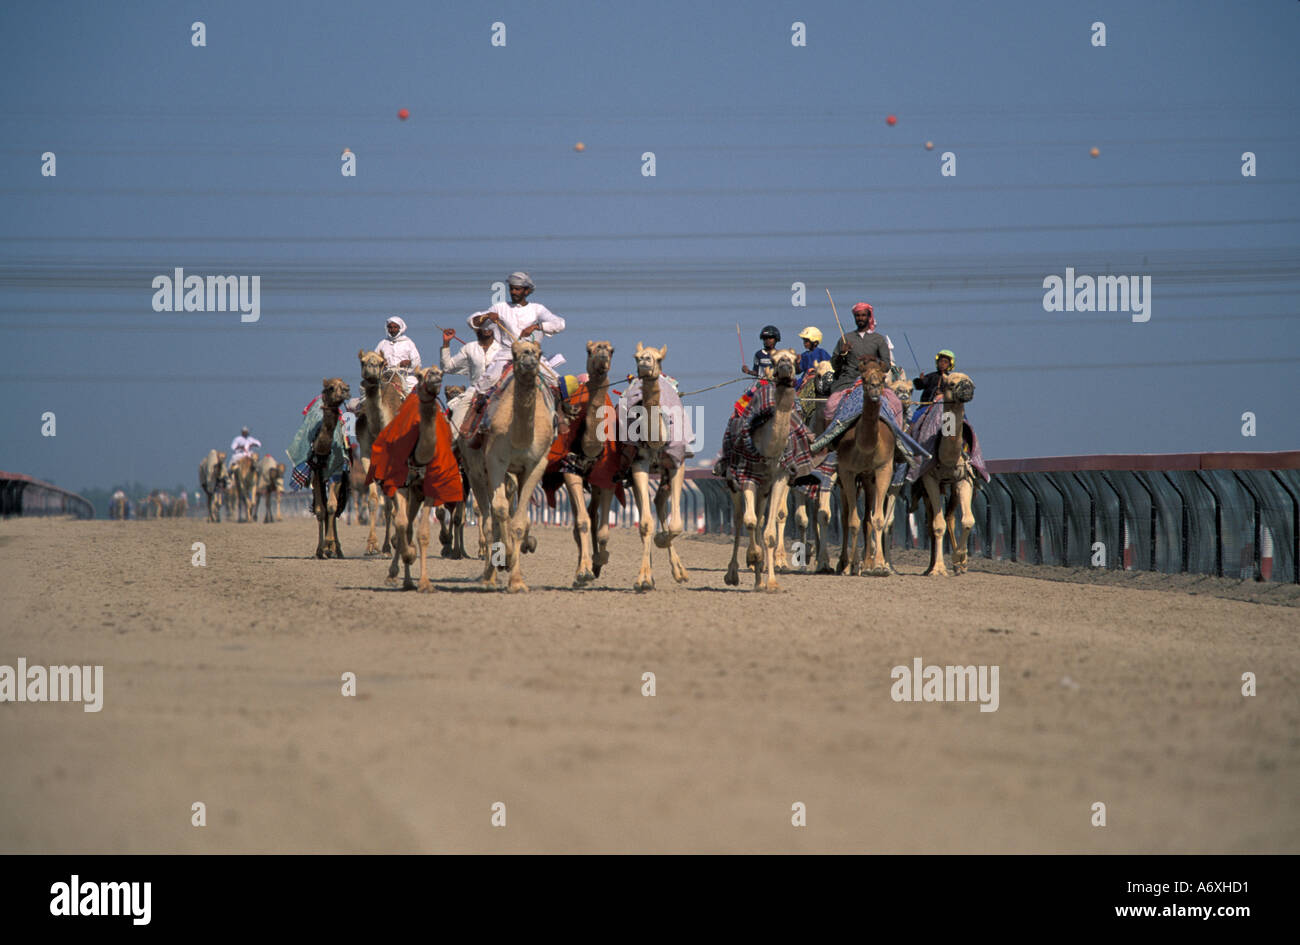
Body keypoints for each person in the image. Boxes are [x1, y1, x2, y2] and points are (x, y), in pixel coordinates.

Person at [461, 271, 566, 443]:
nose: (514, 292)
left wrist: (537, 327)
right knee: (486, 383)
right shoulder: (500, 307)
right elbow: (471, 321)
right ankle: (473, 420)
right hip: (507, 355)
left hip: (532, 356)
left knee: (557, 382)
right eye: (512, 289)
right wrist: (487, 316)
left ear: (527, 291)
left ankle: (560, 416)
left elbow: (560, 323)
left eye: (518, 289)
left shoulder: (537, 309)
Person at [824, 302, 891, 422]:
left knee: (896, 403)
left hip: (874, 383)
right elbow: (835, 366)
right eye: (858, 315)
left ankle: (897, 433)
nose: (860, 318)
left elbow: (887, 365)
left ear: (869, 317)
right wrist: (842, 354)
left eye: (863, 315)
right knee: (830, 405)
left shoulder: (879, 339)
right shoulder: (846, 338)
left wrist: (873, 359)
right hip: (848, 382)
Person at [440, 318, 501, 415]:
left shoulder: (502, 348)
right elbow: (447, 367)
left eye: (489, 325)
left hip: (498, 390)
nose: (486, 328)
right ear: (477, 329)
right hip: (474, 391)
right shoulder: (469, 348)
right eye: (483, 326)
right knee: (457, 421)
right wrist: (446, 343)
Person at [376, 316, 422, 395]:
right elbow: (375, 360)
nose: (392, 330)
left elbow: (417, 361)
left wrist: (409, 363)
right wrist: (381, 363)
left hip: (405, 376)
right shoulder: (382, 344)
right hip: (386, 376)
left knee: (417, 393)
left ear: (400, 328)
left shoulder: (408, 343)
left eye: (395, 327)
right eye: (390, 327)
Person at [910, 349, 955, 427]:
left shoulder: (952, 379)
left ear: (949, 365)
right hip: (927, 406)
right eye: (941, 361)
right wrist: (920, 380)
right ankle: (909, 432)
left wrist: (942, 394)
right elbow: (919, 386)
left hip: (946, 408)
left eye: (945, 362)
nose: (942, 364)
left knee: (961, 418)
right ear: (937, 363)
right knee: (917, 416)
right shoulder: (931, 376)